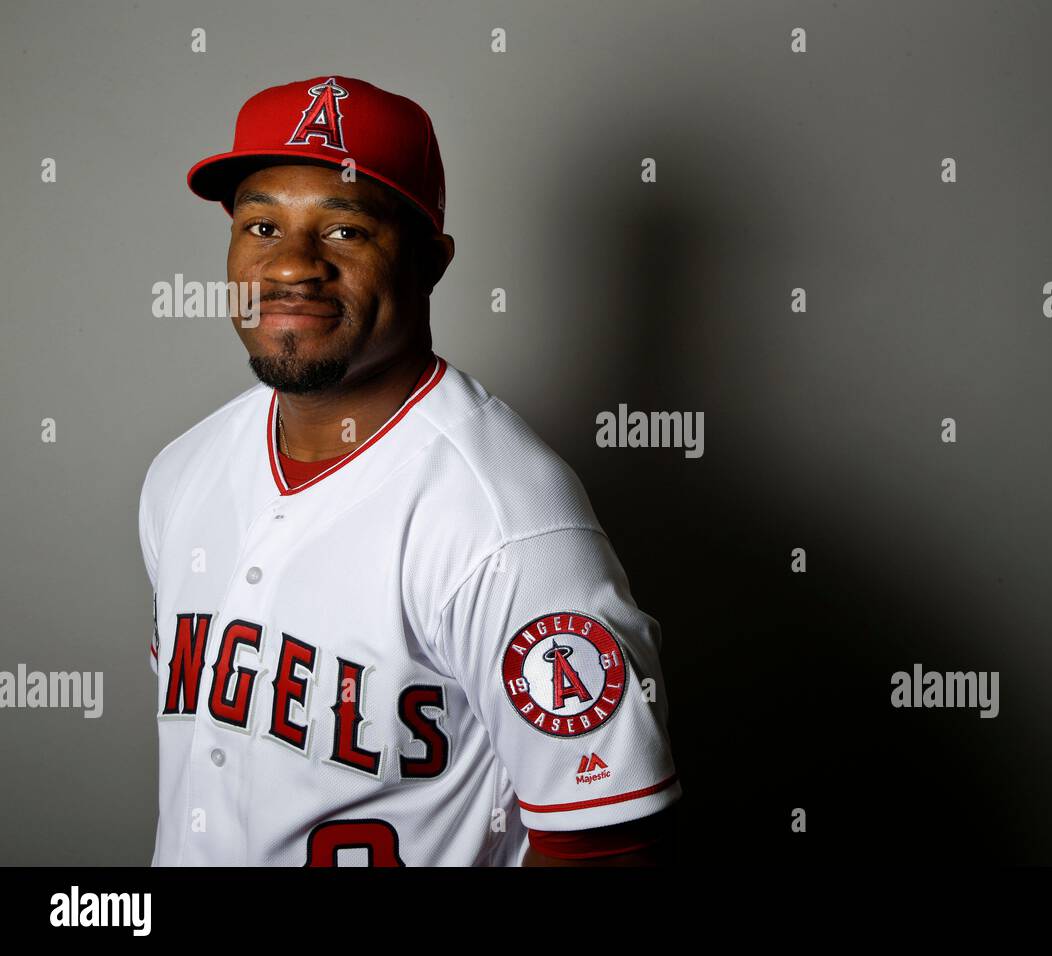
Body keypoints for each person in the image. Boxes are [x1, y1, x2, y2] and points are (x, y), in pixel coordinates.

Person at [139, 75, 680, 866]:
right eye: (262, 224)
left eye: (346, 231)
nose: (291, 266)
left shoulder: (509, 527)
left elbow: (606, 845)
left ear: (430, 261)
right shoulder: (181, 473)